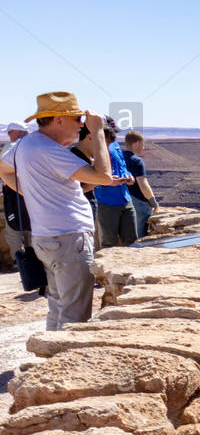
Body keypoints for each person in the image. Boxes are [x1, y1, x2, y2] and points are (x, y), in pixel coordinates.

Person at [0, 92, 130, 330]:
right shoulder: (50, 151)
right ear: (58, 119)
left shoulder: (24, 145)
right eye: (77, 119)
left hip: (45, 238)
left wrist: (30, 190)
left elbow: (3, 168)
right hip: (70, 238)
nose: (82, 125)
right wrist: (98, 132)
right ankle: (65, 363)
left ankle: (49, 360)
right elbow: (102, 176)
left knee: (58, 304)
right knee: (75, 311)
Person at [93, 118, 136, 247]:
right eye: (111, 133)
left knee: (132, 241)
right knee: (109, 242)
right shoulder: (97, 148)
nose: (114, 136)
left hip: (125, 198)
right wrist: (108, 182)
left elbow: (122, 165)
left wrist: (129, 177)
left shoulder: (115, 145)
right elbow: (91, 174)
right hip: (107, 201)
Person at [121, 131, 159, 239]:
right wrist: (153, 202)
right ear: (136, 143)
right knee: (138, 235)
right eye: (142, 144)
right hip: (139, 202)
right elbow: (143, 184)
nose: (143, 147)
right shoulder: (136, 161)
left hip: (123, 200)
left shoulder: (119, 159)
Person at [1, 123, 28, 266]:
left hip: (13, 191)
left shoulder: (10, 148)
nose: (9, 135)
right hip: (31, 189)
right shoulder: (32, 145)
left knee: (13, 228)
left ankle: (19, 261)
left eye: (10, 132)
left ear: (17, 132)